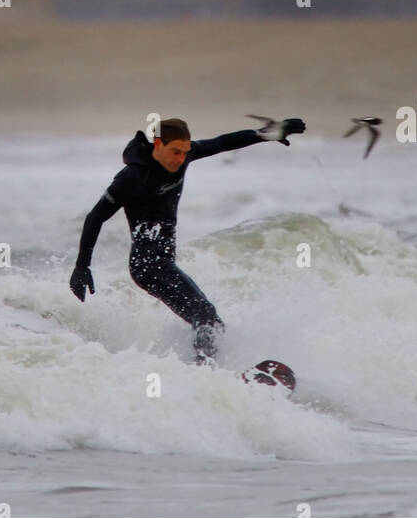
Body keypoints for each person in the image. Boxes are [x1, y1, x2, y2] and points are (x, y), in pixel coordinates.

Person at [69, 115, 306, 363]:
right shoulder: (132, 177)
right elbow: (95, 217)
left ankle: (197, 370)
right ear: (158, 145)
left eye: (184, 152)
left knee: (208, 320)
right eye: (175, 152)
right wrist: (82, 265)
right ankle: (205, 375)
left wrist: (264, 134)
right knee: (206, 317)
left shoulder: (184, 156)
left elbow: (221, 142)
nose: (181, 159)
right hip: (146, 265)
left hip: (165, 262)